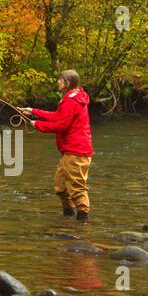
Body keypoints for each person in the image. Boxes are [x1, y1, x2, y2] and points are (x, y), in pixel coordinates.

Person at [23, 70, 93, 221]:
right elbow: (58, 116)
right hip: (71, 151)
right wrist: (34, 111)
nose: (58, 82)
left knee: (77, 189)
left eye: (60, 80)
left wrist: (37, 125)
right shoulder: (71, 98)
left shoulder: (71, 101)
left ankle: (83, 226)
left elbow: (61, 125)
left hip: (76, 151)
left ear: (67, 83)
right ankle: (68, 219)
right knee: (61, 188)